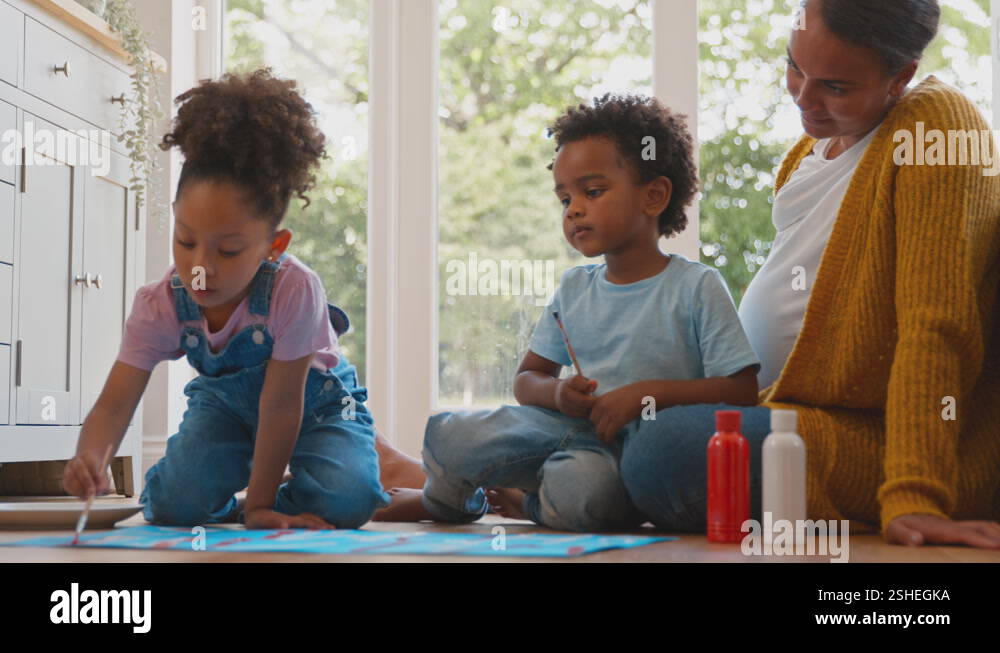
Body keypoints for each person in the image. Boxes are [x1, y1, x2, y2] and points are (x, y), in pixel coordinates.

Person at [621, 0, 1000, 548]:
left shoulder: (934, 126)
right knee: (632, 422)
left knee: (667, 448)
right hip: (784, 411)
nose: (802, 96)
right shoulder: (809, 148)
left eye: (835, 86)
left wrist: (917, 495)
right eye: (795, 67)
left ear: (901, 78)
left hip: (871, 443)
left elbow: (935, 325)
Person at [378, 93, 762, 531]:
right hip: (559, 429)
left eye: (592, 191)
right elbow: (527, 380)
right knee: (449, 433)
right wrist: (560, 395)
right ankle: (446, 503)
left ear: (653, 196)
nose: (574, 208)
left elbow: (742, 390)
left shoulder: (696, 287)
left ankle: (525, 501)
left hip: (629, 456)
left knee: (581, 493)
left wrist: (647, 395)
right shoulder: (574, 287)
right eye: (565, 199)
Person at [61, 69, 390, 530]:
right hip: (224, 411)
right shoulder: (160, 304)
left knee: (347, 501)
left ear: (274, 246)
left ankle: (282, 488)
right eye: (185, 240)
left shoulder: (294, 289)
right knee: (176, 507)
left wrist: (260, 508)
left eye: (229, 250)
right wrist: (91, 455)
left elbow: (280, 407)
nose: (200, 266)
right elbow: (115, 403)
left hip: (313, 407)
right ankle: (246, 495)